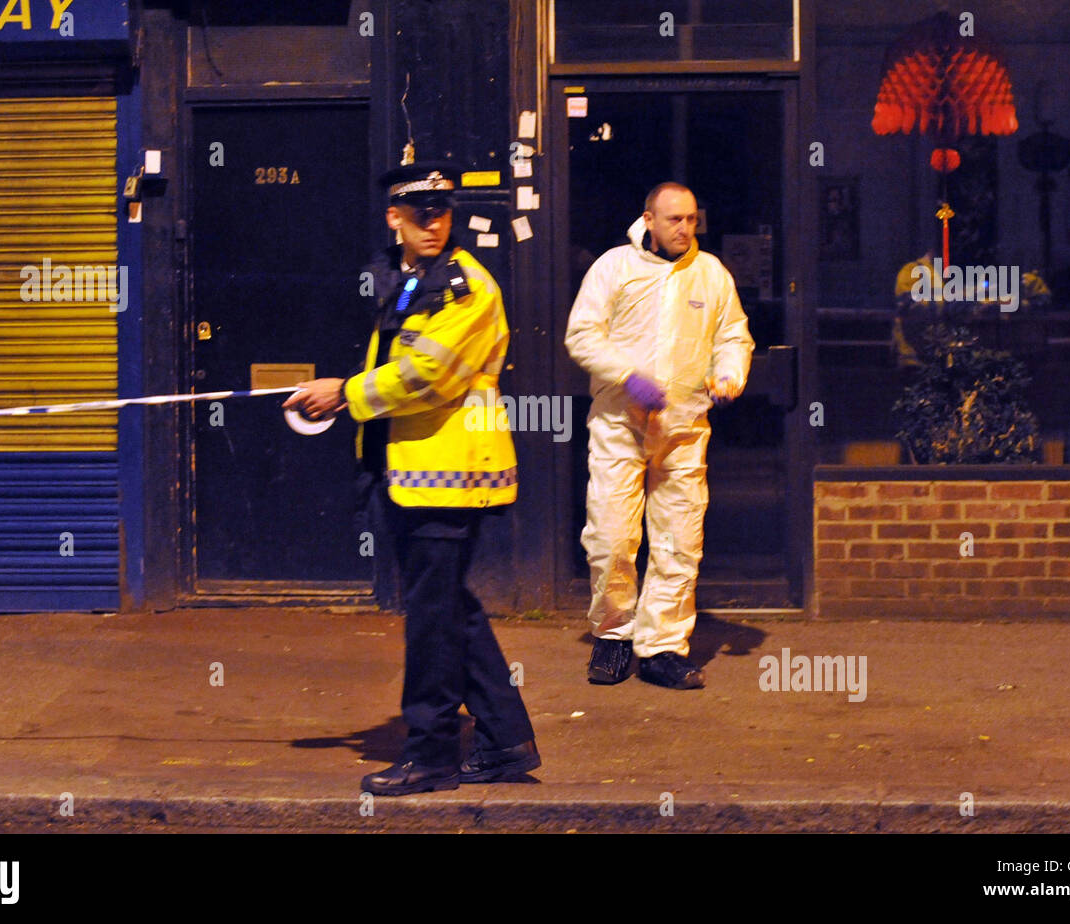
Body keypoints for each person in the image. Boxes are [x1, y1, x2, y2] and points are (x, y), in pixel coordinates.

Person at [285, 160, 539, 794]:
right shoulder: (413, 278)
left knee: (432, 619)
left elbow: (428, 377)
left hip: (447, 472)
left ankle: (429, 753)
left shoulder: (464, 287)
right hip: (414, 469)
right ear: (394, 217)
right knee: (450, 609)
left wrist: (343, 393)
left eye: (443, 213)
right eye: (421, 214)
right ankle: (506, 742)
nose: (435, 223)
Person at [564, 181, 755, 689]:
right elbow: (582, 334)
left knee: (678, 541)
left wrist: (730, 373)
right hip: (619, 426)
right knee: (610, 537)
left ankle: (663, 646)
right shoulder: (614, 268)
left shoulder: (710, 274)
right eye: (674, 220)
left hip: (684, 428)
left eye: (692, 219)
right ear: (648, 219)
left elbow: (733, 335)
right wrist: (628, 376)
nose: (685, 229)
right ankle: (612, 637)